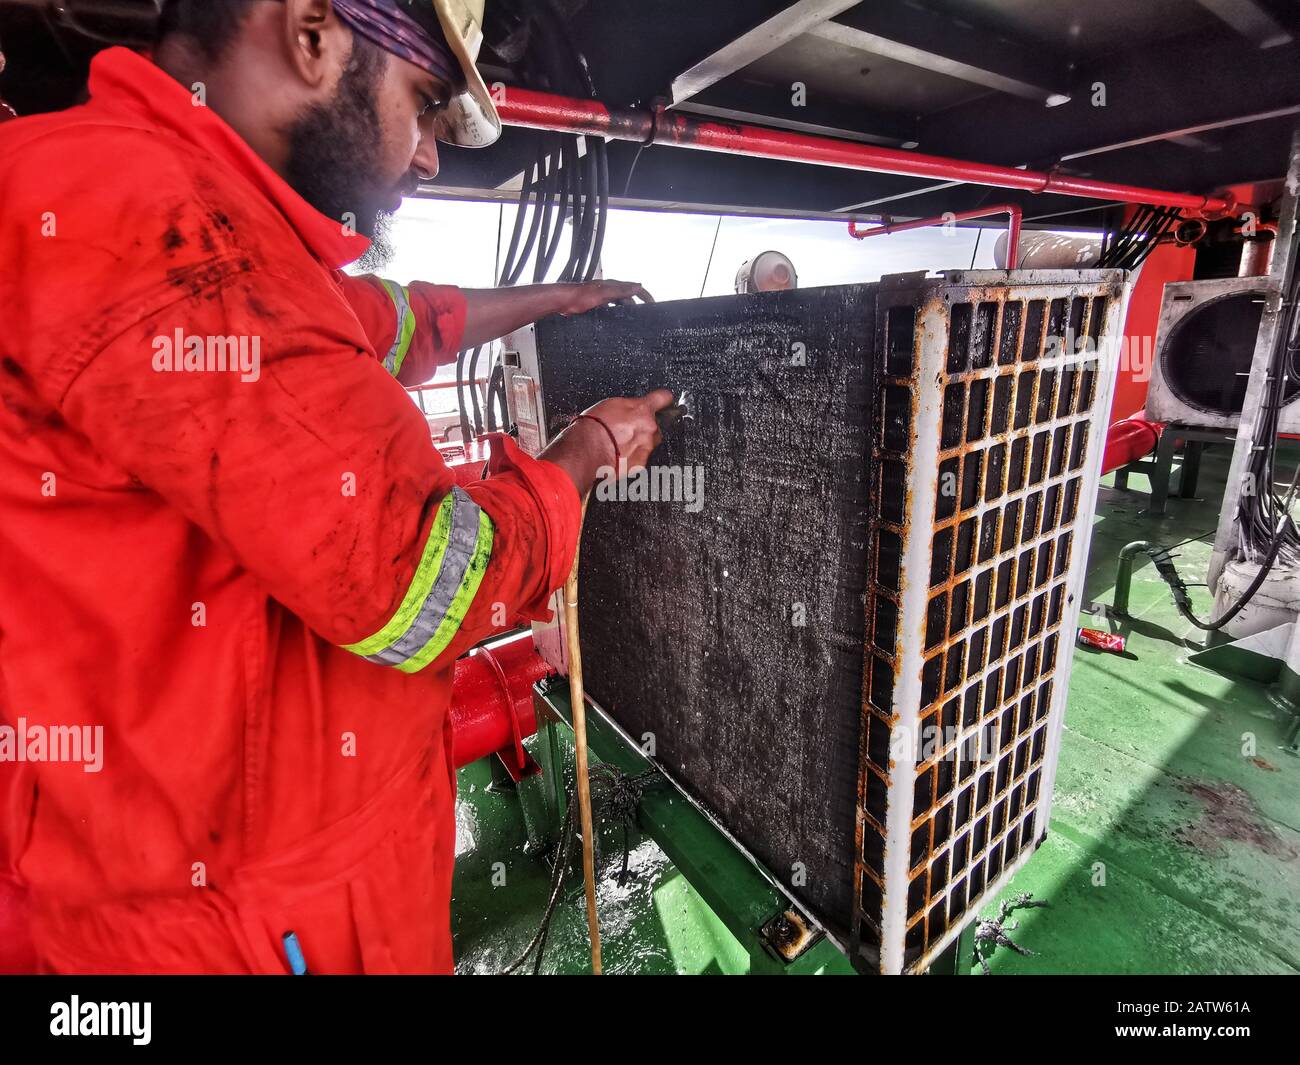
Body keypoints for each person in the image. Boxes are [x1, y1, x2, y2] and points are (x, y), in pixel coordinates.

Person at [0, 0, 671, 974]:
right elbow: (421, 584)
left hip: (250, 875)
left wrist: (557, 298)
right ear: (312, 35)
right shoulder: (156, 224)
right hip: (229, 925)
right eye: (426, 102)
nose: (430, 159)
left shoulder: (206, 219)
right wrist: (582, 457)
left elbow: (389, 324)